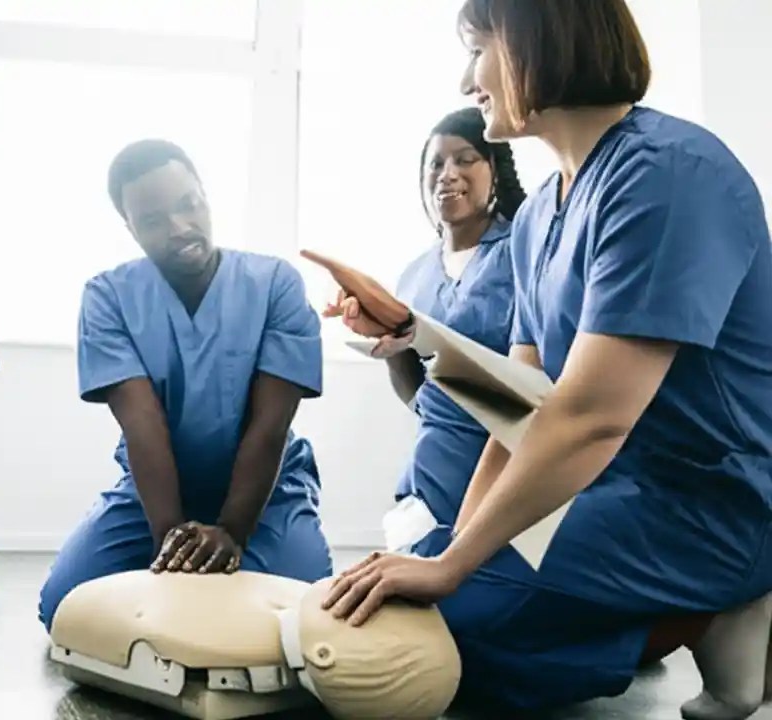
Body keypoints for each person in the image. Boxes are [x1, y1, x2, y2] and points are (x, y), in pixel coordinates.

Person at [313, 1, 772, 717]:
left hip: (716, 507)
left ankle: (708, 613)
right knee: (394, 597)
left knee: (430, 636)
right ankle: (672, 622)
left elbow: (589, 419)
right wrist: (451, 548)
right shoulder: (535, 221)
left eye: (477, 49)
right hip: (612, 495)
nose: (469, 79)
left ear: (535, 40)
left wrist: (454, 571)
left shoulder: (668, 176)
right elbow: (520, 406)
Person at [37, 139, 333, 631]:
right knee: (65, 608)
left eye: (188, 205)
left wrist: (233, 532)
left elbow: (270, 424)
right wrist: (171, 543)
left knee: (298, 612)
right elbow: (143, 425)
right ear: (131, 229)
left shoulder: (275, 283)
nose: (179, 228)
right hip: (152, 490)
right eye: (153, 220)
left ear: (204, 197)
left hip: (267, 489)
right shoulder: (108, 297)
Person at [354, 107, 527, 540]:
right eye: (436, 164)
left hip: (508, 463)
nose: (447, 174)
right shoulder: (414, 277)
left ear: (496, 170)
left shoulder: (524, 250)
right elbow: (419, 394)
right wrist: (390, 349)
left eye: (465, 159)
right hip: (430, 473)